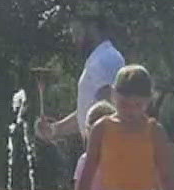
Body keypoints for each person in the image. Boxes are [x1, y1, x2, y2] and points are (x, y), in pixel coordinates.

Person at [71, 65, 174, 190]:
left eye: (137, 105)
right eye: (124, 104)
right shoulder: (101, 129)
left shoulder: (154, 131)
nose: (130, 111)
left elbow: (166, 177)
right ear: (113, 96)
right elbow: (88, 173)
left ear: (148, 101)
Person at [37, 14, 124, 152]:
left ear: (93, 28)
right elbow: (87, 113)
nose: (74, 40)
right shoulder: (98, 59)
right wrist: (55, 130)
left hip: (104, 153)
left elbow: (109, 108)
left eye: (77, 33)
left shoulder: (104, 59)